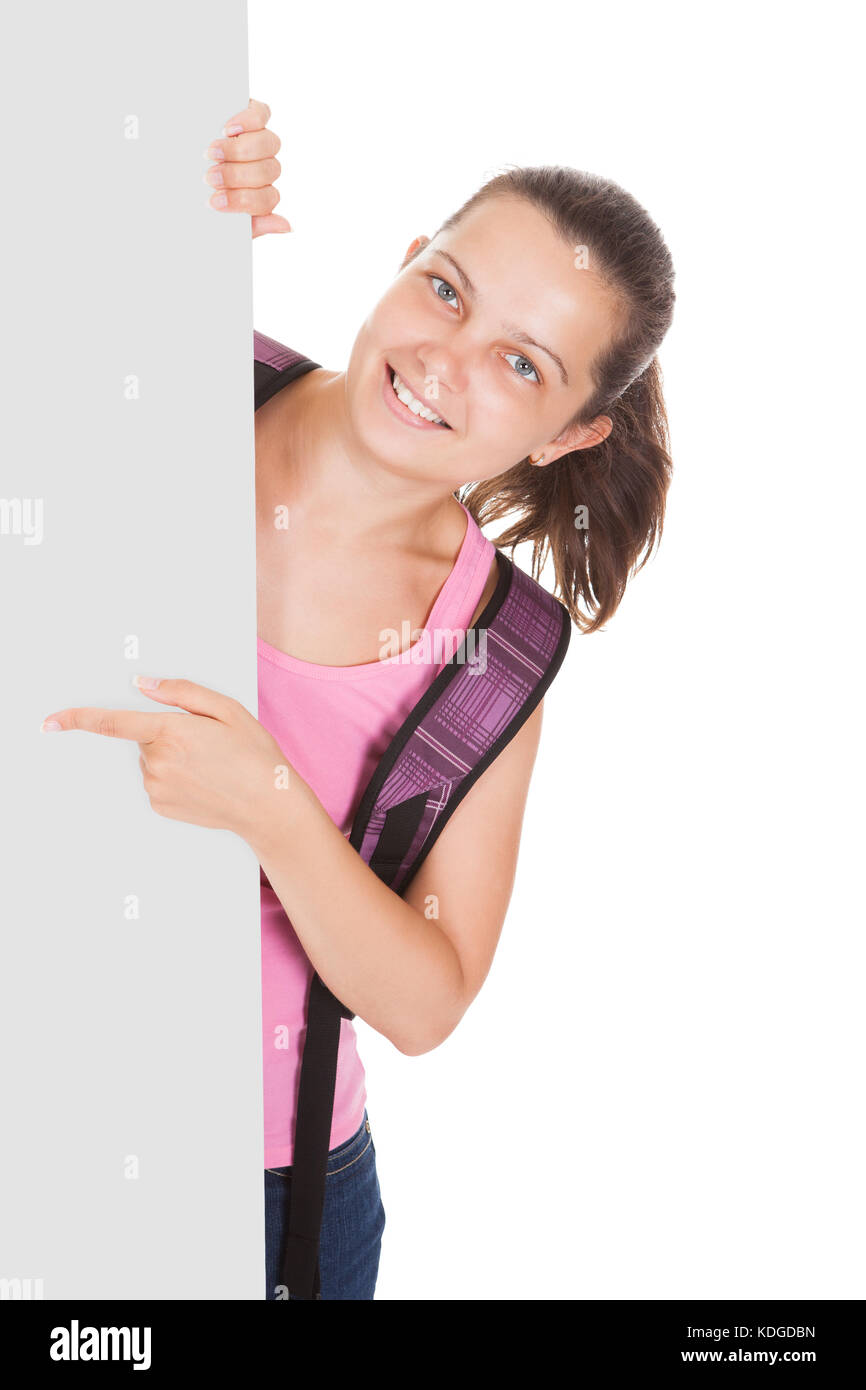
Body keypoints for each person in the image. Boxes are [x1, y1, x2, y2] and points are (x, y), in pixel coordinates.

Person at [41, 98, 676, 1301]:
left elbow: (426, 999)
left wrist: (272, 809)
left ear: (568, 433)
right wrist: (130, 211)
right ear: (400, 263)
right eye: (447, 290)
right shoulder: (174, 376)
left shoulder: (489, 647)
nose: (445, 358)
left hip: (263, 1194)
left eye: (520, 363)